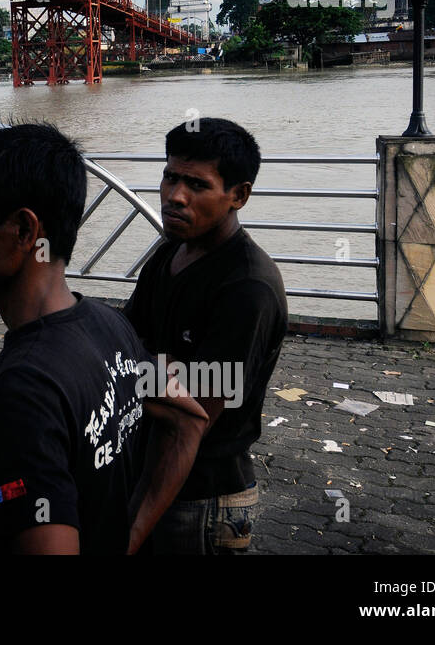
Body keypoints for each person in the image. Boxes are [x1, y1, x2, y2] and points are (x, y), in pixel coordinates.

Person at [0, 124, 207, 555]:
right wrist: (129, 537)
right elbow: (188, 419)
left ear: (25, 232)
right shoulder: (108, 324)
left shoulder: (26, 389)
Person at [124, 117, 288, 554]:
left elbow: (190, 417)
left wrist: (133, 530)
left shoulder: (247, 288)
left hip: (204, 503)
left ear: (239, 195)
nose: (175, 196)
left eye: (197, 185)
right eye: (170, 177)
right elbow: (129, 344)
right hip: (150, 477)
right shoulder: (169, 254)